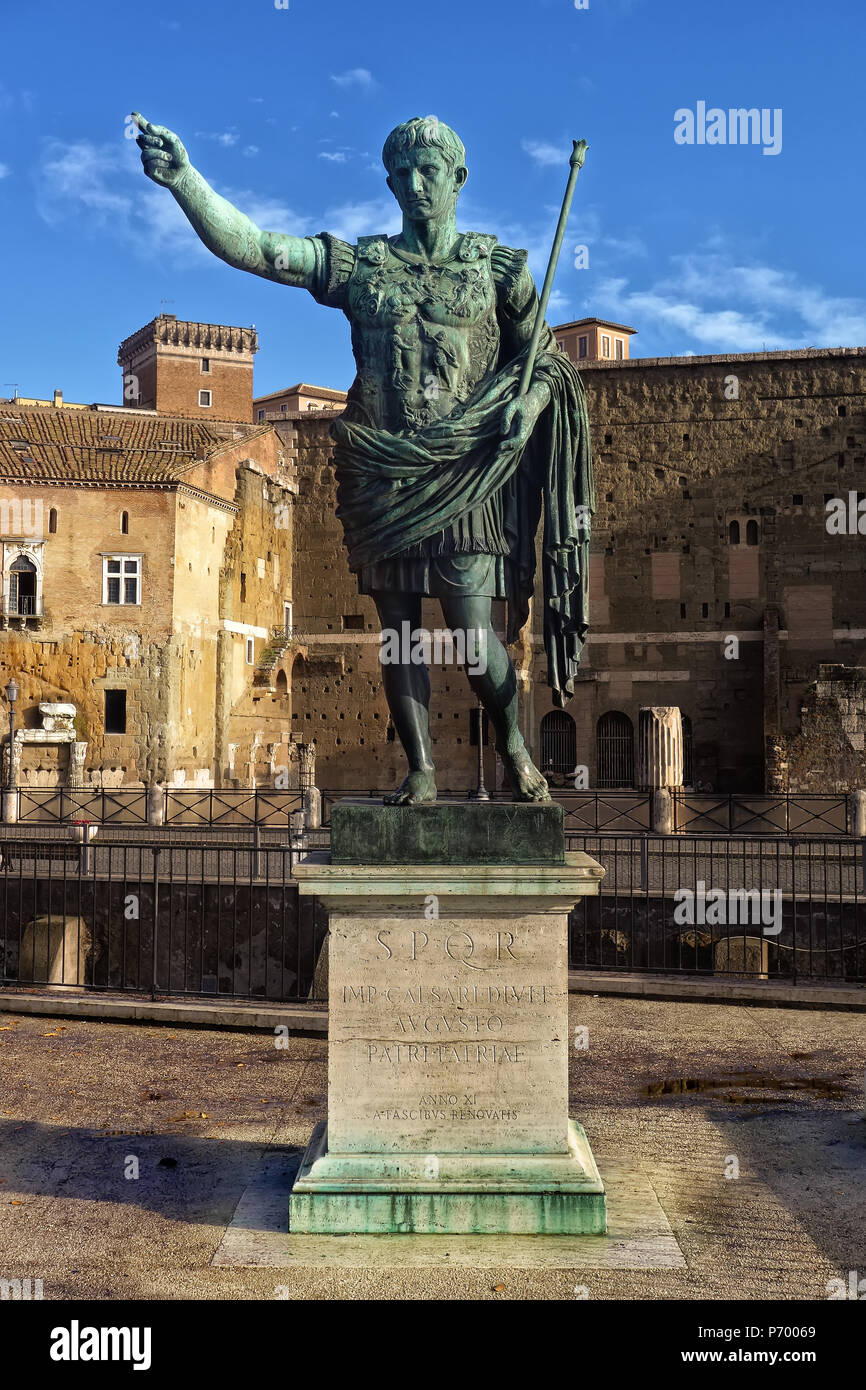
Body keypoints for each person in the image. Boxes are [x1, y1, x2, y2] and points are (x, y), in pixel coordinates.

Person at [135, 113, 593, 804]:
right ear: (388, 182)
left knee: (473, 634)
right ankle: (422, 770)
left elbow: (547, 363)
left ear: (458, 180)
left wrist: (525, 409)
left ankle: (518, 751)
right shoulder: (362, 267)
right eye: (401, 173)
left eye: (428, 171)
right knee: (399, 633)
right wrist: (185, 181)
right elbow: (259, 249)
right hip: (381, 471)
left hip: (465, 475)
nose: (414, 184)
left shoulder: (499, 271)